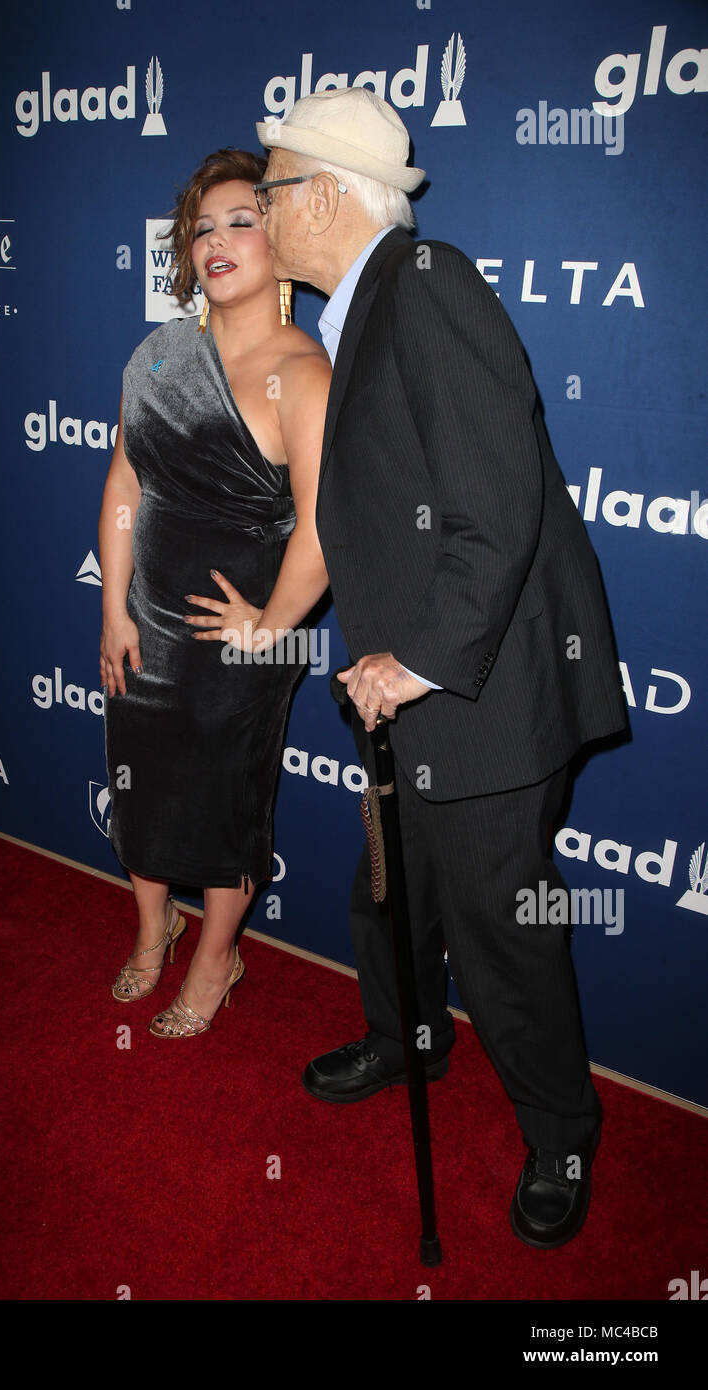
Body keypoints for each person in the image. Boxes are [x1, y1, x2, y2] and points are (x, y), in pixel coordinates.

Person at [254, 88, 629, 1247]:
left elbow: (496, 505)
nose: (260, 215)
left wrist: (413, 664)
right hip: (402, 694)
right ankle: (405, 1036)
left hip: (479, 698)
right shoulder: (361, 314)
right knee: (389, 891)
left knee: (498, 930)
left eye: (269, 192)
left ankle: (561, 1129)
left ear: (320, 194)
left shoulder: (426, 288)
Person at [99, 148, 330, 1039]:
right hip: (145, 621)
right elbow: (125, 485)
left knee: (224, 802)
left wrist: (270, 630)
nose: (218, 242)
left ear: (276, 240)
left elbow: (321, 530)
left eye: (241, 221)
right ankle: (153, 930)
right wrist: (113, 606)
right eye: (203, 228)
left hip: (237, 648)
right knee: (142, 787)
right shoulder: (158, 355)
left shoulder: (303, 374)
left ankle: (215, 958)